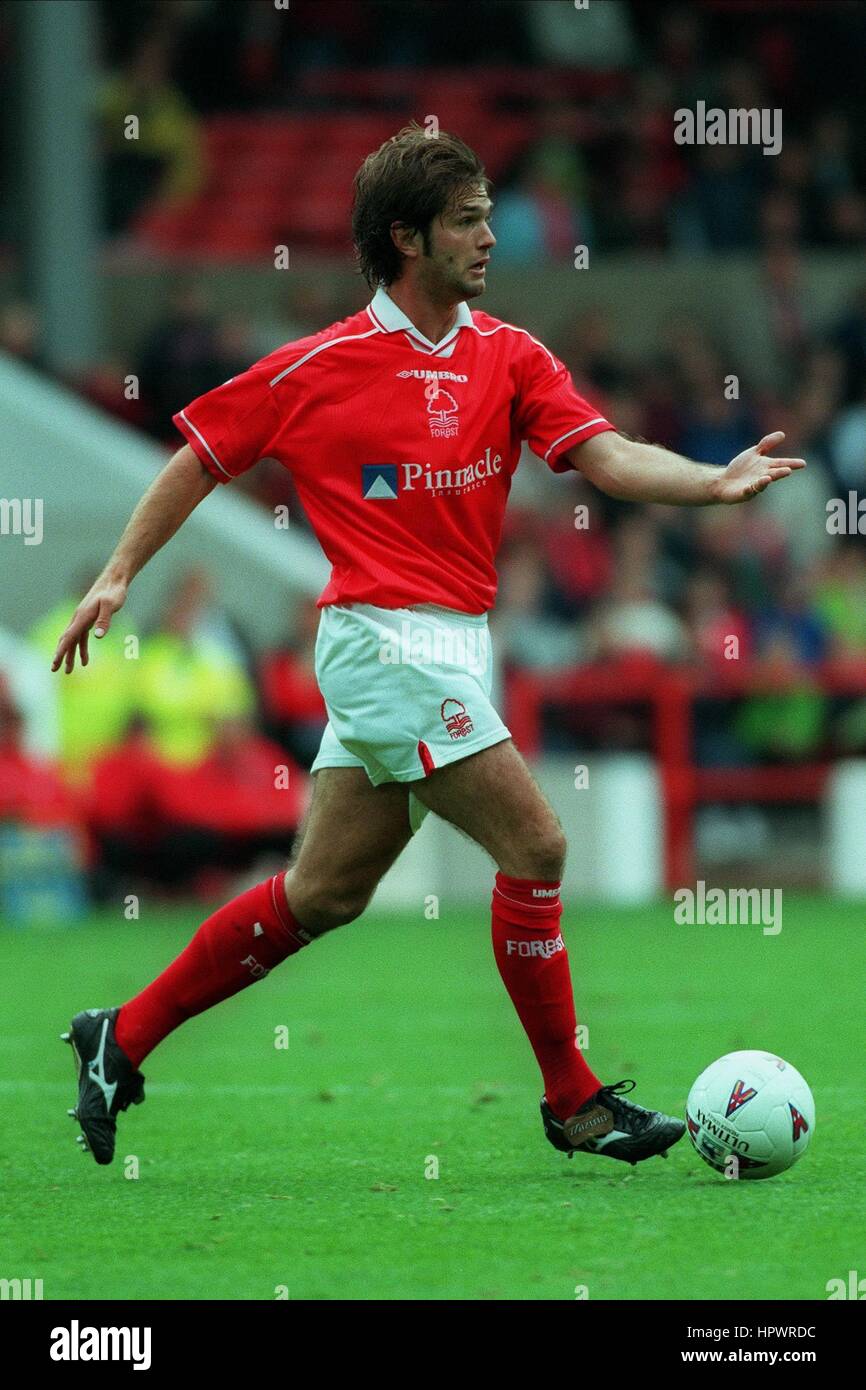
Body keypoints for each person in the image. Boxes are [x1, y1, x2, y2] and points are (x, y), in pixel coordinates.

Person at [52, 124, 806, 1167]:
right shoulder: (319, 365)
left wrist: (709, 481)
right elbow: (198, 455)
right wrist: (118, 571)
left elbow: (607, 454)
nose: (488, 237)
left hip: (458, 644)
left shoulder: (507, 355)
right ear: (406, 239)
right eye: (465, 222)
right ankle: (571, 1098)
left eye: (487, 217)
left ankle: (118, 1036)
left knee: (322, 895)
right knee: (536, 844)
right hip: (378, 645)